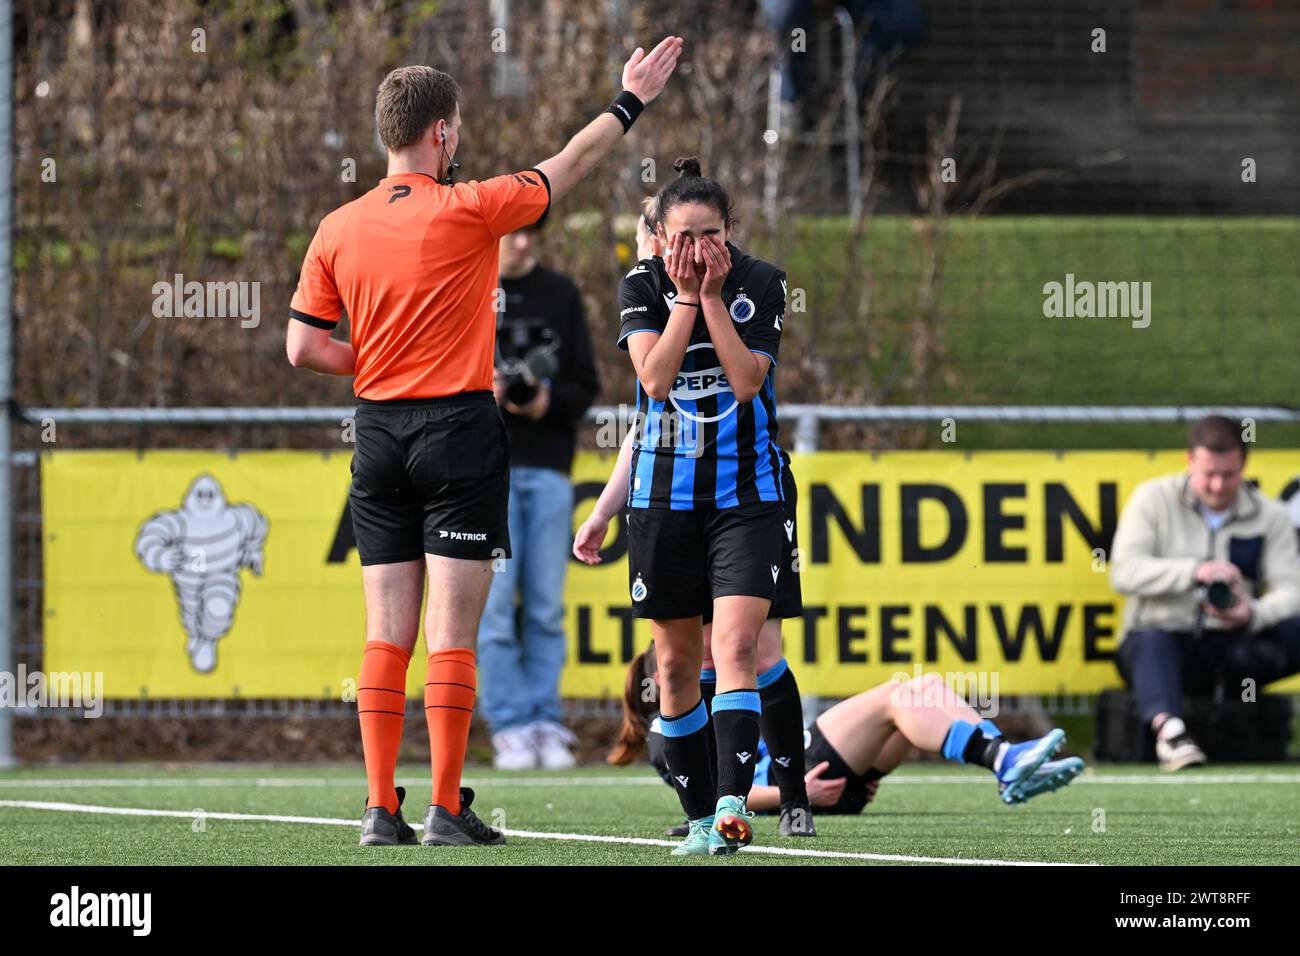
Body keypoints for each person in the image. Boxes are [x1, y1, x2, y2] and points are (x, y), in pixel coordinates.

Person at [285, 36, 684, 847]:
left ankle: (377, 809)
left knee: (385, 634)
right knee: (452, 636)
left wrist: (380, 356)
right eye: (456, 128)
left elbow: (302, 347)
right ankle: (442, 808)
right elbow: (570, 162)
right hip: (459, 431)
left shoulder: (338, 225)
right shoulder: (470, 206)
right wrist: (630, 98)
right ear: (441, 133)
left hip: (379, 432)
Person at [612, 158, 792, 857]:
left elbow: (748, 382)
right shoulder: (640, 285)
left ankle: (728, 806)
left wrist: (713, 297)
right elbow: (655, 381)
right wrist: (686, 297)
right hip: (664, 498)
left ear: (730, 234)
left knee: (738, 646)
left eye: (711, 235)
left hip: (746, 496)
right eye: (683, 236)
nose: (697, 250)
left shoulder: (761, 282)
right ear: (658, 237)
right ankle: (695, 817)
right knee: (675, 661)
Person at [575, 425, 814, 837]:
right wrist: (602, 511)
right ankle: (707, 810)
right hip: (676, 501)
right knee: (696, 656)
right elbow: (645, 421)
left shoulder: (746, 358)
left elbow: (747, 385)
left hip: (751, 494)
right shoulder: (655, 364)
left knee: (756, 652)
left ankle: (793, 801)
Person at [611, 647, 1085, 821]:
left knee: (921, 690)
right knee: (899, 696)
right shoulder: (665, 735)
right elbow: (716, 799)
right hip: (809, 779)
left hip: (817, 773)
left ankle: (1002, 755)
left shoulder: (709, 700)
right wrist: (796, 795)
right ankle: (1002, 762)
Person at [1110, 414, 1300, 771]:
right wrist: (1194, 571)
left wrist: (1252, 613)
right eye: (1208, 473)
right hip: (1164, 646)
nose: (1217, 485)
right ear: (1189, 460)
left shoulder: (1270, 516)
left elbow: (1292, 590)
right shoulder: (1152, 499)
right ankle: (1171, 733)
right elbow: (1123, 571)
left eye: (1228, 475)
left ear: (1244, 464)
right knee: (1150, 640)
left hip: (1234, 646)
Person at [480, 222, 599, 770]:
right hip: (484, 471)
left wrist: (544, 400)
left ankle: (546, 721)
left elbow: (586, 384)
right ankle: (510, 725)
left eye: (532, 233)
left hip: (549, 469)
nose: (523, 242)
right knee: (496, 609)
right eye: (513, 233)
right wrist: (491, 394)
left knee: (547, 607)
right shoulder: (468, 284)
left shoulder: (561, 294)